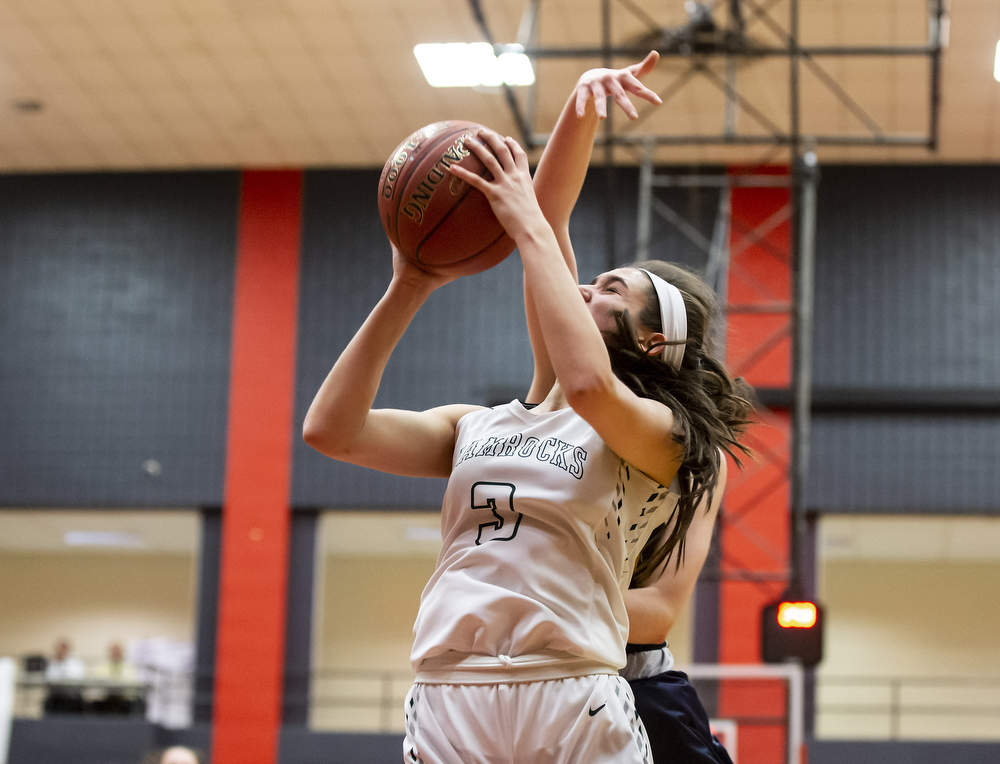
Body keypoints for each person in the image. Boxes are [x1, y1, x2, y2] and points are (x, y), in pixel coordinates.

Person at [304, 52, 751, 764]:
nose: (578, 289)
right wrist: (412, 284)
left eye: (609, 289)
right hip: (453, 687)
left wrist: (527, 229)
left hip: (575, 685)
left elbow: (589, 382)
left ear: (657, 338)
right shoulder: (478, 425)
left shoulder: (666, 437)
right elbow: (330, 430)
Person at [43, 638, 85, 714]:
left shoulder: (76, 663)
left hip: (72, 698)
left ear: (67, 649)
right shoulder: (52, 664)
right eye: (58, 649)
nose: (60, 652)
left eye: (63, 649)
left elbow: (76, 679)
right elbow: (49, 679)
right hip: (55, 698)